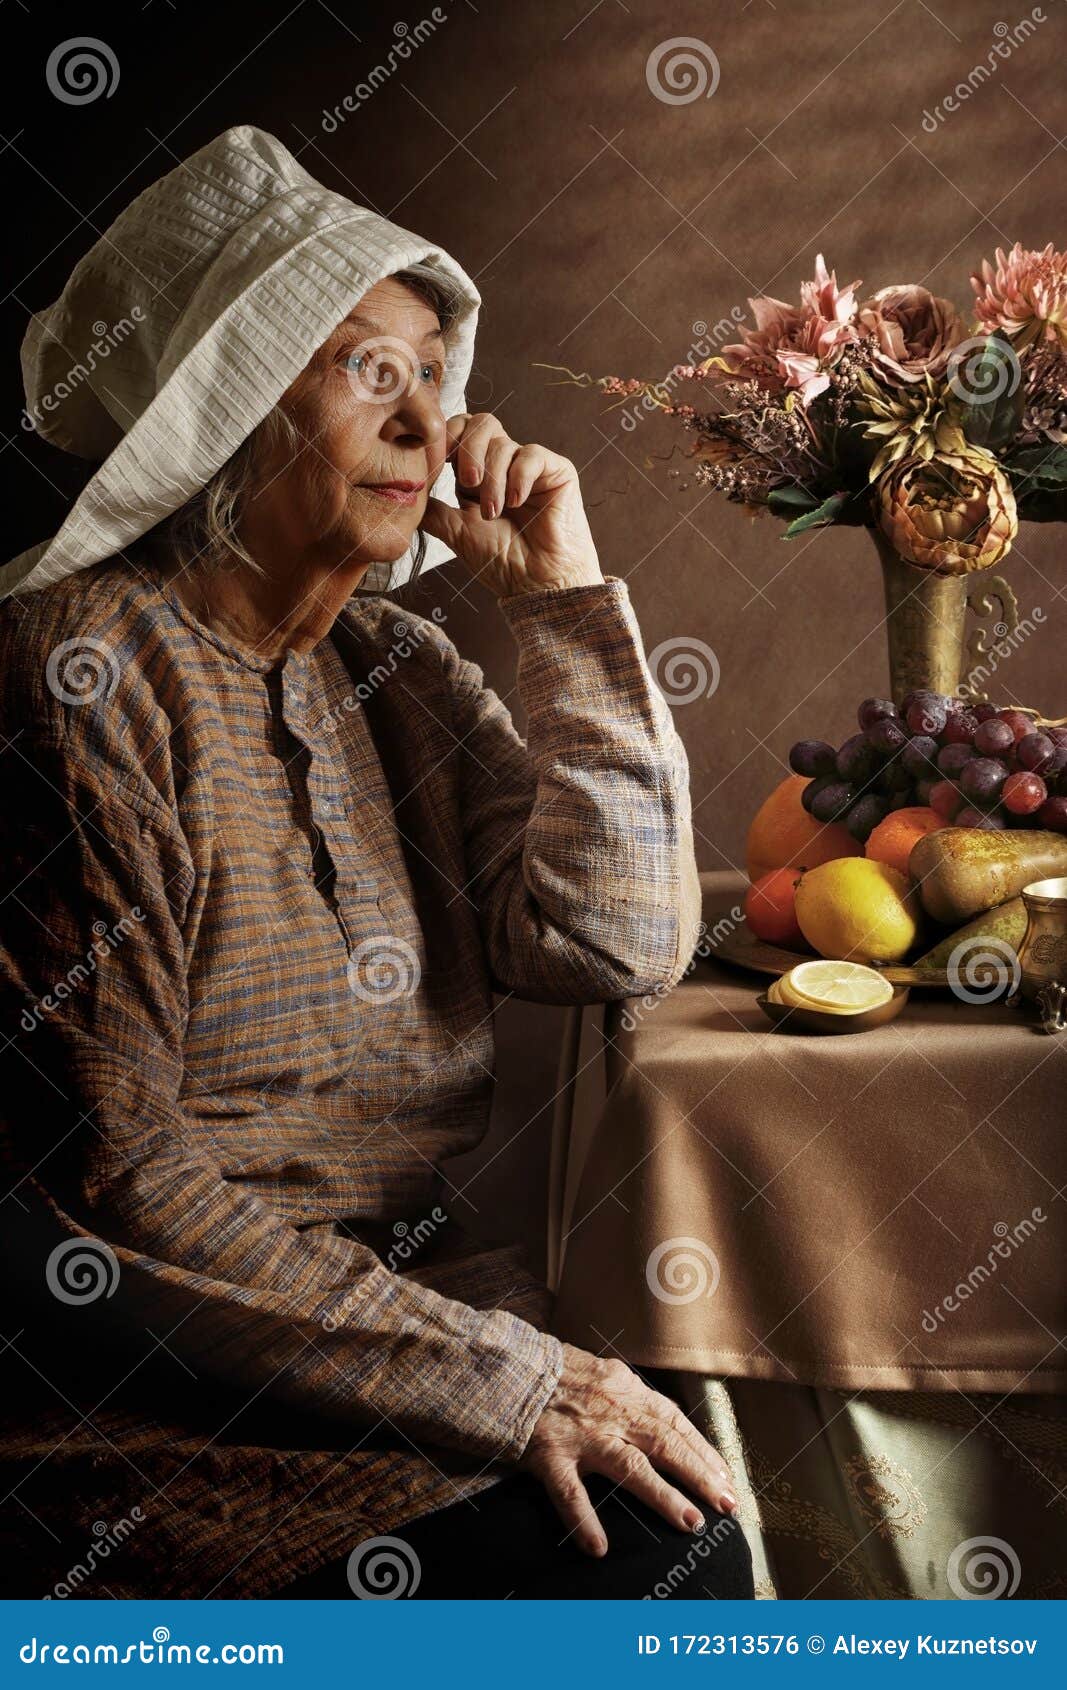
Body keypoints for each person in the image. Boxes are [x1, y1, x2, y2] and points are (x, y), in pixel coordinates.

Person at [0, 125, 750, 1601]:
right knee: (611, 1578)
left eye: (434, 372)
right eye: (368, 369)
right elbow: (119, 1182)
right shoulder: (80, 673)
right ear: (224, 409)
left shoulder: (398, 666)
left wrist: (561, 602)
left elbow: (612, 945)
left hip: (412, 1314)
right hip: (154, 1375)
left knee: (680, 1540)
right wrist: (508, 1379)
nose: (431, 426)